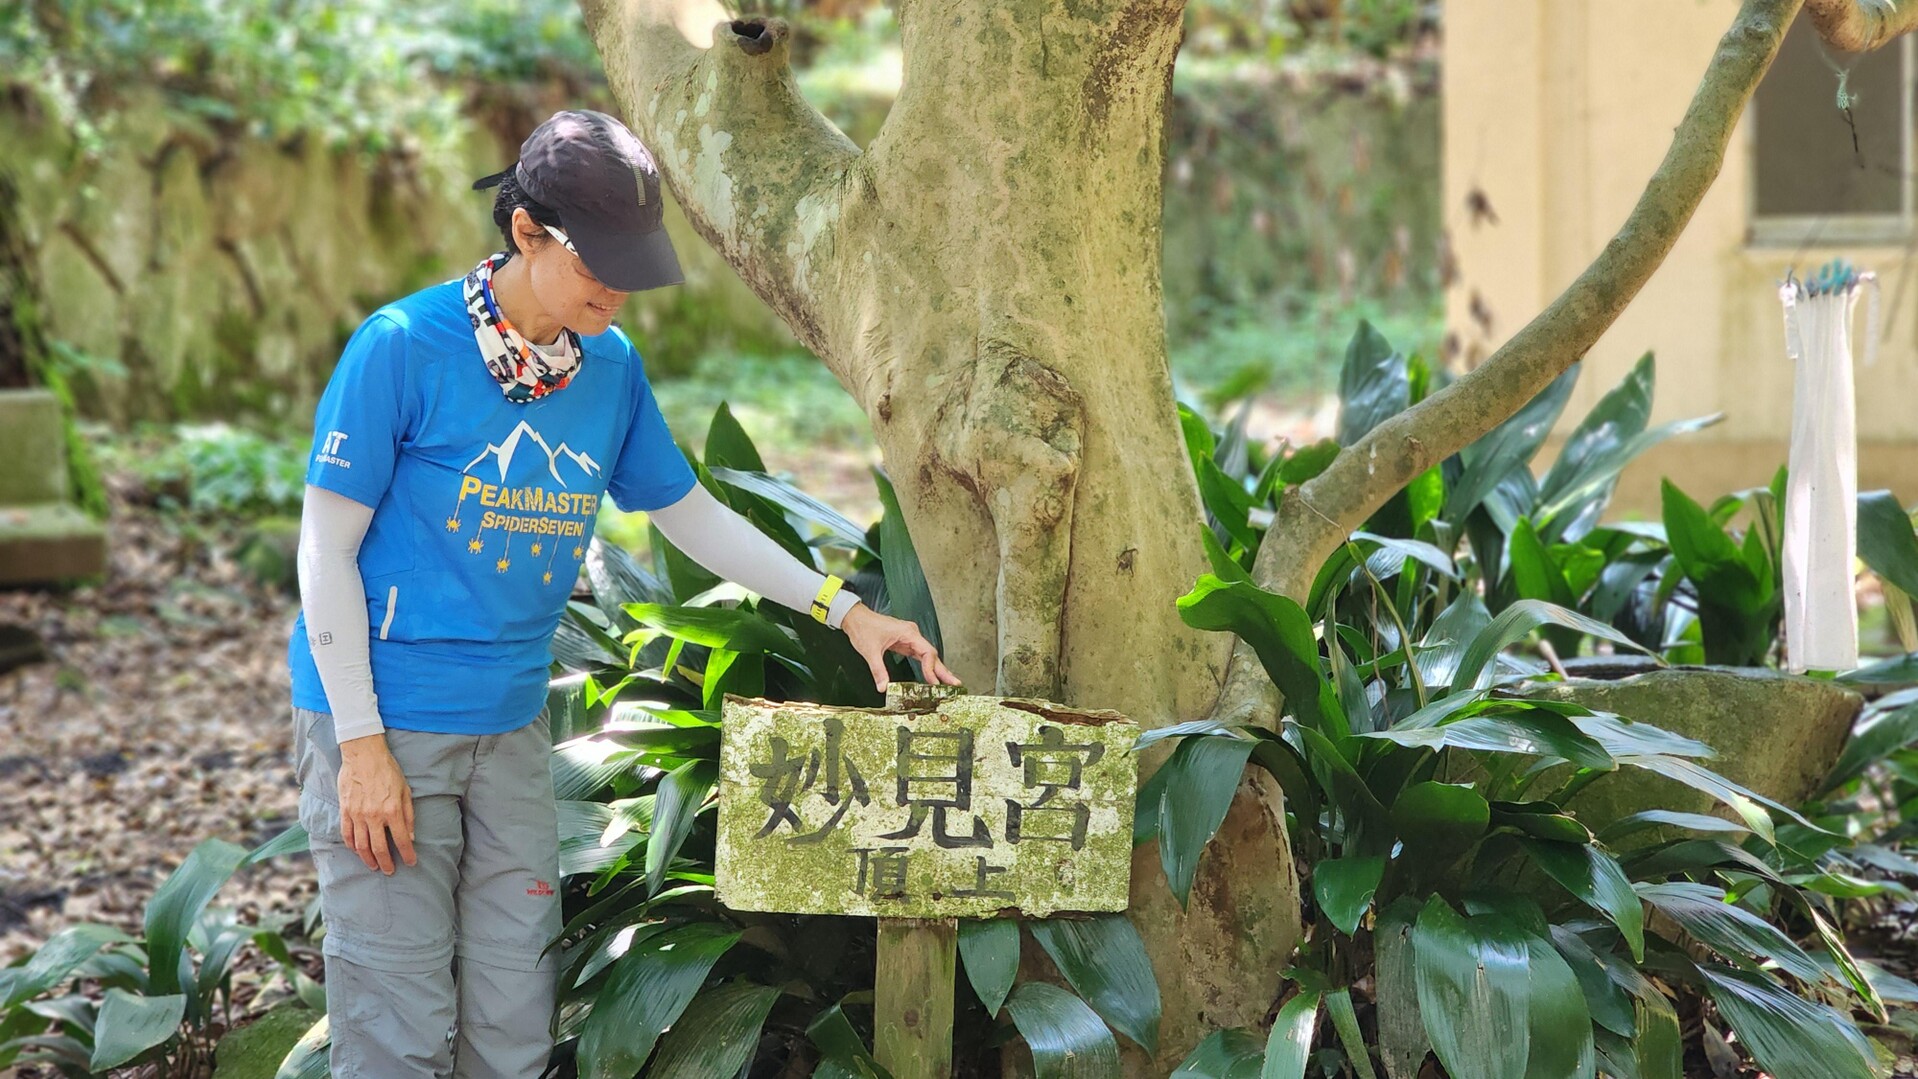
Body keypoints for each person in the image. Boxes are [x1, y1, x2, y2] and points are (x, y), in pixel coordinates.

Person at [287, 109, 959, 1078]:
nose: (623, 286)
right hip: (386, 719)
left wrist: (844, 608)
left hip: (509, 721)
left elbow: (690, 514)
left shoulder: (608, 368)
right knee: (398, 1012)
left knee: (516, 998)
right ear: (526, 233)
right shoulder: (400, 346)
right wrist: (359, 747)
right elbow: (325, 551)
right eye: (600, 258)